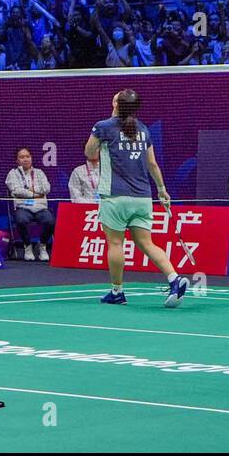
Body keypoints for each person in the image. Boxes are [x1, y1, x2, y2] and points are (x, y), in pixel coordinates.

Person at [84, 89, 189, 307]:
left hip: (115, 197)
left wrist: (98, 137)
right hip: (142, 197)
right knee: (146, 243)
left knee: (114, 242)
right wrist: (162, 190)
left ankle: (117, 292)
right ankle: (174, 279)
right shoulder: (143, 129)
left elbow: (89, 153)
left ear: (116, 105)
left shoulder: (103, 126)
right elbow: (152, 164)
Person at [5, 147, 55, 261]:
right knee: (21, 220)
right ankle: (27, 246)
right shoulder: (12, 174)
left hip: (40, 208)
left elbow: (46, 188)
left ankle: (42, 245)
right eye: (22, 157)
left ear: (31, 158)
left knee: (50, 222)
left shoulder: (39, 173)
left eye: (27, 156)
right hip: (23, 207)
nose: (25, 159)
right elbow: (16, 190)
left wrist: (28, 190)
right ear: (17, 160)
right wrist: (35, 194)